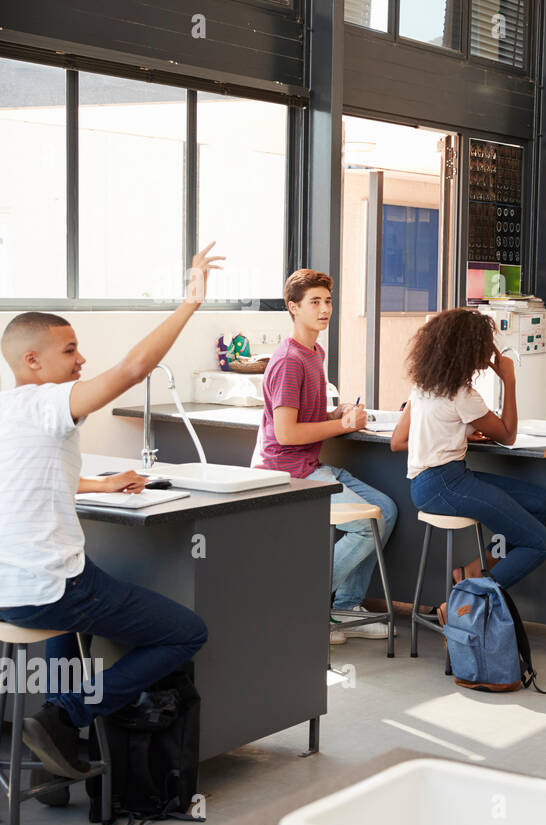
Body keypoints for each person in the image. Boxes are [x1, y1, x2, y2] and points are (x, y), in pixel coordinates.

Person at [0, 245, 219, 780]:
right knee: (185, 631)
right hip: (48, 591)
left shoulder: (8, 410)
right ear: (32, 361)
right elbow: (135, 367)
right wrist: (190, 303)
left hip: (9, 588)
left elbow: (30, 480)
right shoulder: (49, 403)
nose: (80, 361)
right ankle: (65, 717)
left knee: (63, 624)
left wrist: (102, 483)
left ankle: (52, 768)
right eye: (70, 350)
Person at [253, 268, 396, 645]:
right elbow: (286, 434)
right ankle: (300, 604)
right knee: (366, 526)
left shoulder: (315, 352)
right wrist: (343, 427)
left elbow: (305, 419)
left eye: (328, 301)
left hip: (309, 465)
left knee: (386, 511)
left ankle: (343, 610)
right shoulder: (288, 361)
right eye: (314, 302)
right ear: (293, 308)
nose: (324, 309)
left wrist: (337, 414)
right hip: (285, 472)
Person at [391, 309, 546, 623]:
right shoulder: (463, 395)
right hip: (447, 483)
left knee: (542, 504)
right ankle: (462, 602)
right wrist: (509, 380)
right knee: (539, 544)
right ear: (467, 349)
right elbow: (507, 435)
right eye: (484, 343)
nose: (489, 349)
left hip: (432, 483)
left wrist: (456, 432)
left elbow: (398, 441)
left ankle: (470, 572)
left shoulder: (424, 387)